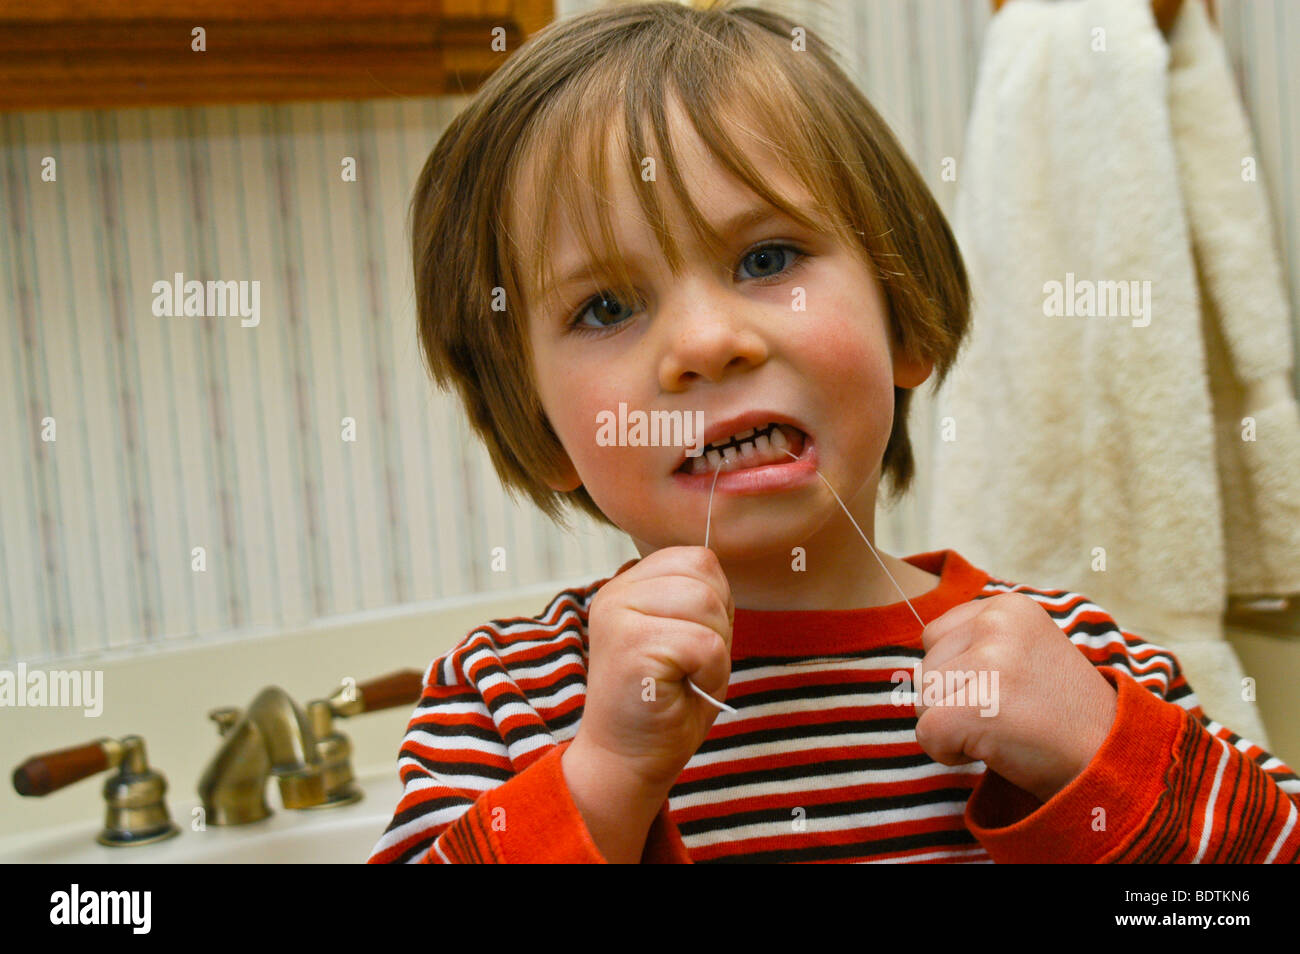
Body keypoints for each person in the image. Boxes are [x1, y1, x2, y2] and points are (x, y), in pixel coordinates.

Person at [368, 0, 1299, 863]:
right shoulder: (505, 705)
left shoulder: (1085, 662)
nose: (706, 344)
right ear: (538, 433)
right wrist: (605, 776)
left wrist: (1107, 758)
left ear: (906, 320)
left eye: (766, 258)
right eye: (606, 307)